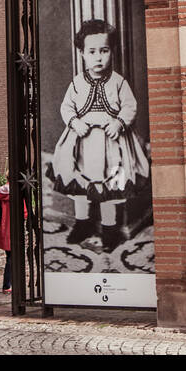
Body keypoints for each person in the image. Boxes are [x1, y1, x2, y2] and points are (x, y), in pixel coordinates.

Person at [47, 19, 150, 252]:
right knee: (79, 185)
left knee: (109, 188)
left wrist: (119, 122)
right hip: (81, 145)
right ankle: (82, 224)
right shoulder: (77, 83)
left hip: (111, 146)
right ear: (82, 54)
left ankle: (110, 229)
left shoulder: (118, 83)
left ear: (111, 51)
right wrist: (74, 121)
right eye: (92, 52)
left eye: (104, 51)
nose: (98, 57)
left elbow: (129, 106)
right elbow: (66, 107)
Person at [0, 181, 21, 293]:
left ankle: (8, 284)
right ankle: (8, 285)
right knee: (13, 258)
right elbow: (25, 212)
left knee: (9, 257)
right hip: (15, 227)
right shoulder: (18, 192)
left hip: (3, 228)